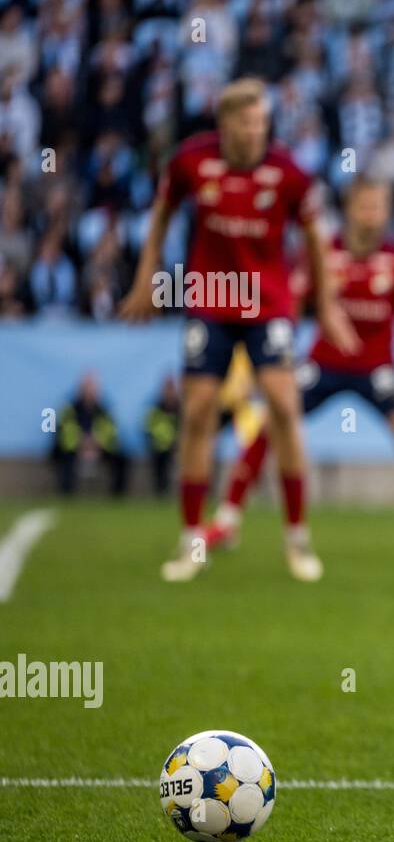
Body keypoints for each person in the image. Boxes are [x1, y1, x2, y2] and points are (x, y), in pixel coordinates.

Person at [120, 77, 358, 583]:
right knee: (199, 411)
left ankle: (297, 538)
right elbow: (160, 217)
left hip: (268, 306)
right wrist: (146, 280)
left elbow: (315, 239)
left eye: (263, 121)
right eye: (248, 122)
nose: (257, 131)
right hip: (210, 303)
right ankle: (191, 541)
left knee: (284, 405)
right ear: (225, 123)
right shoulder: (189, 161)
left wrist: (327, 304)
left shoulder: (288, 174)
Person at [206, 176, 394, 561]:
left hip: (376, 367)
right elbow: (291, 304)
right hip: (323, 363)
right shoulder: (323, 254)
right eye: (366, 205)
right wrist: (274, 360)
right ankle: (228, 517)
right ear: (350, 209)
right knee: (272, 423)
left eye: (380, 206)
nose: (373, 215)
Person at [52, 372, 127, 496]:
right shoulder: (70, 409)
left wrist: (97, 441)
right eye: (87, 387)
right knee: (64, 456)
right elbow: (63, 430)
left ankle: (117, 495)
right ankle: (66, 493)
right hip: (74, 447)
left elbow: (111, 431)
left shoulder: (104, 410)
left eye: (92, 388)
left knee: (121, 457)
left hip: (99, 447)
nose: (90, 392)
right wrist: (81, 441)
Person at [145, 376, 180, 496]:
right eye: (167, 388)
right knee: (160, 458)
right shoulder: (155, 409)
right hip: (160, 447)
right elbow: (148, 430)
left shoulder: (181, 408)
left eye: (172, 388)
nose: (170, 392)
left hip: (179, 447)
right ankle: (161, 491)